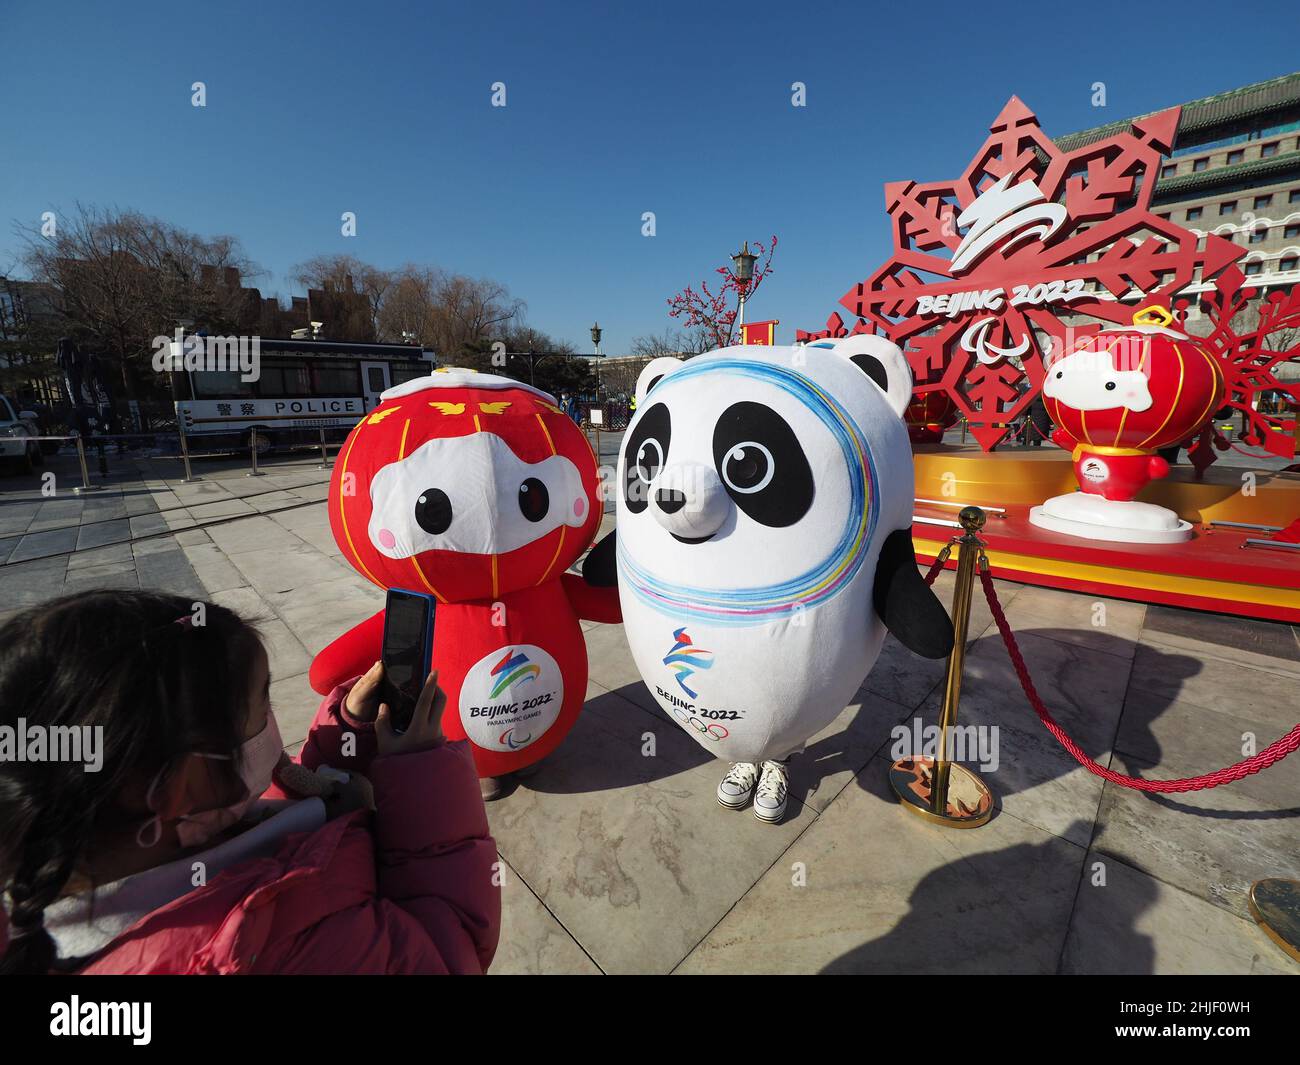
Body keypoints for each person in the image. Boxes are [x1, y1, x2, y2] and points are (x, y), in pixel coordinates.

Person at [0, 590, 500, 974]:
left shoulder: (170, 841)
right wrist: (421, 771)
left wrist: (346, 735)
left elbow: (261, 816)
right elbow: (449, 946)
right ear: (178, 789)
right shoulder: (281, 946)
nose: (271, 720)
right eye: (262, 704)